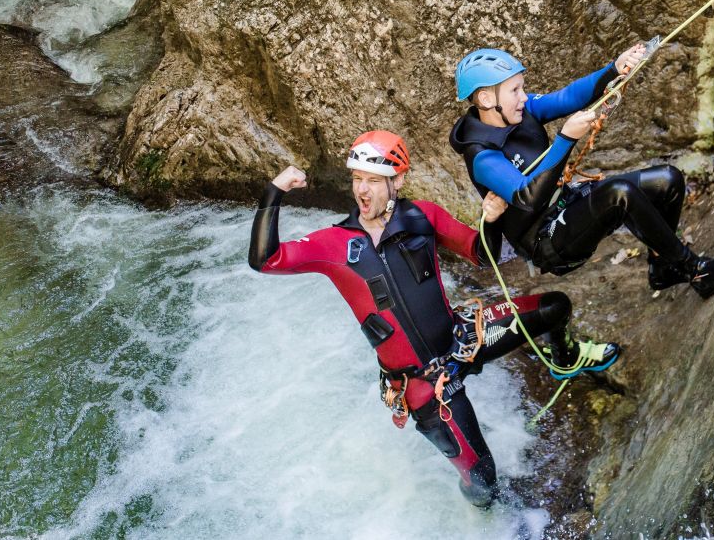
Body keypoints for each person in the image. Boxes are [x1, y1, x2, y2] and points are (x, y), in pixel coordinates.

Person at [247, 130, 619, 507]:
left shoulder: (422, 216)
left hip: (465, 341)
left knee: (554, 307)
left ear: (398, 181)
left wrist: (491, 220)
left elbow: (481, 254)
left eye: (373, 180)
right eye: (357, 178)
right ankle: (484, 519)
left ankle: (565, 358)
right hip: (424, 387)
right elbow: (265, 260)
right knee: (484, 481)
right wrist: (275, 190)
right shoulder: (335, 244)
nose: (362, 190)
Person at [448, 47, 714, 299]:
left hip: (567, 203)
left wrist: (615, 68)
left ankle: (663, 267)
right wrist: (565, 139)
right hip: (547, 240)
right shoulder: (482, 156)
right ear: (487, 100)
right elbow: (529, 198)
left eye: (522, 87)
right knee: (620, 196)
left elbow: (567, 98)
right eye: (515, 90)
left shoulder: (518, 112)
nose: (524, 96)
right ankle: (695, 271)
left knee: (668, 181)